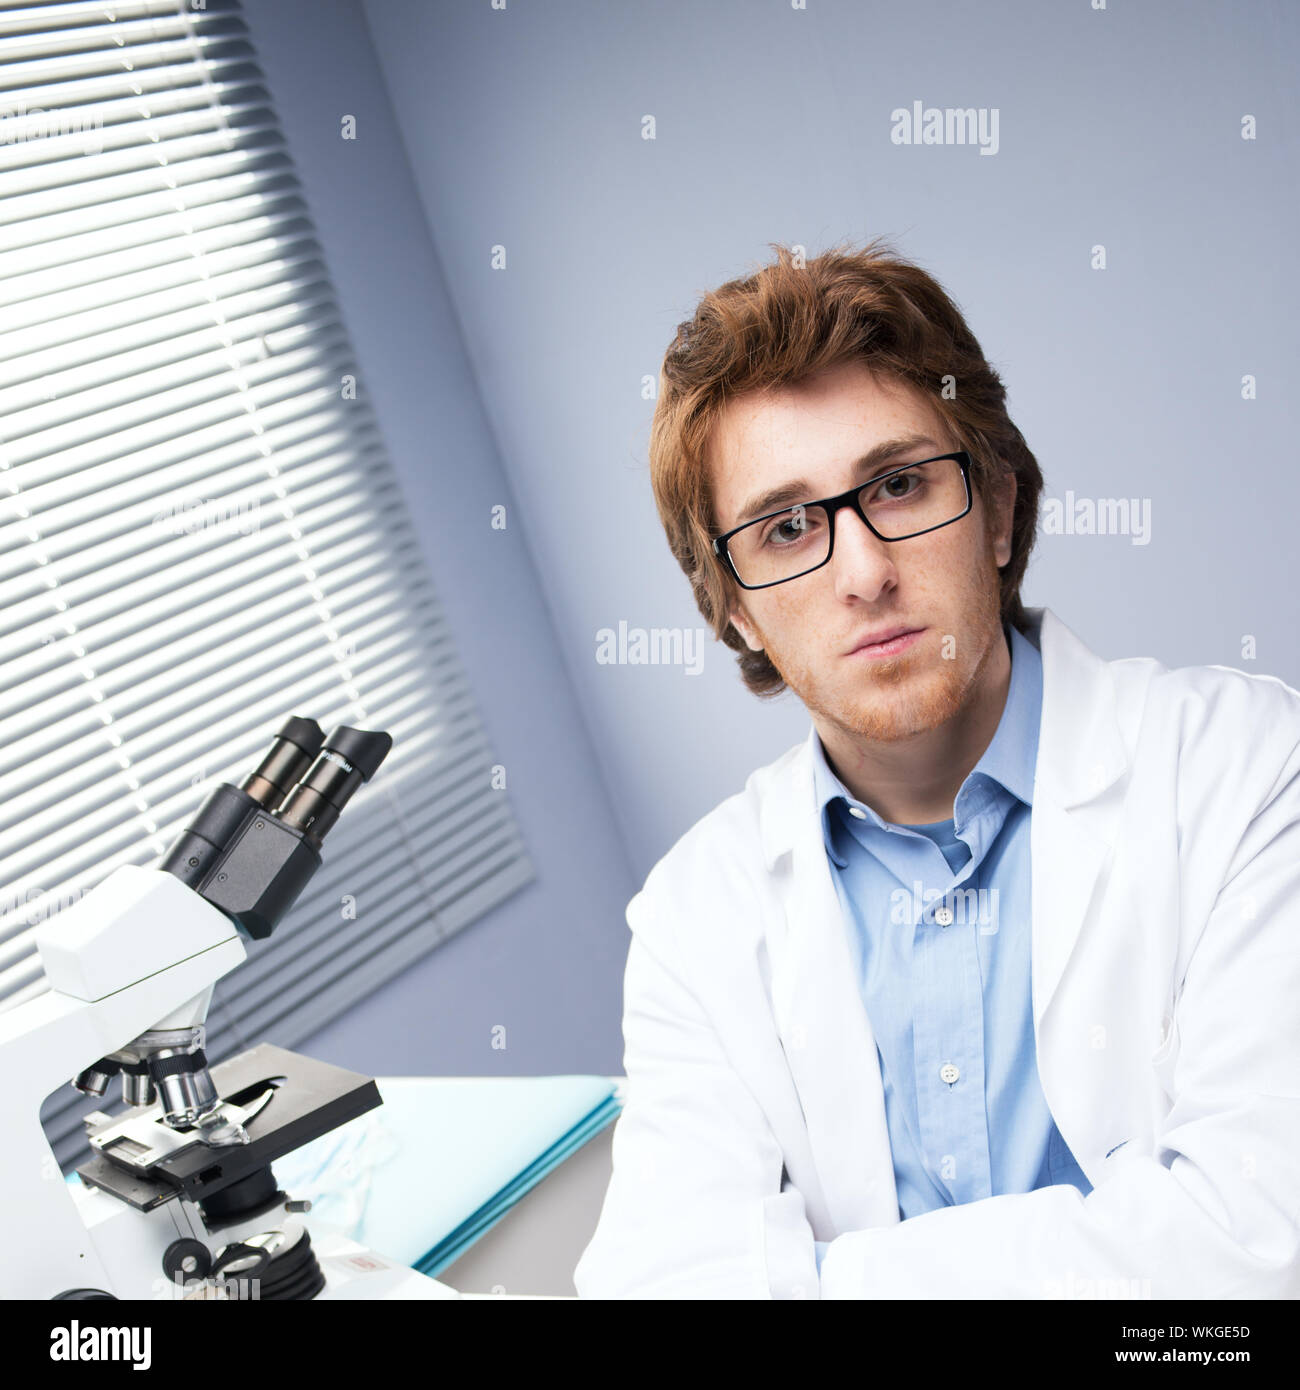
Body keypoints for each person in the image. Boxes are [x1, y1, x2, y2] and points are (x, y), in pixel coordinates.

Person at [572, 240, 1300, 1299]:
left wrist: (808, 1280)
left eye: (901, 485)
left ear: (998, 511)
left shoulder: (1242, 766)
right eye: (784, 528)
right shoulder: (695, 916)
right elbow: (661, 1283)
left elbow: (1254, 1250)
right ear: (733, 606)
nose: (863, 572)